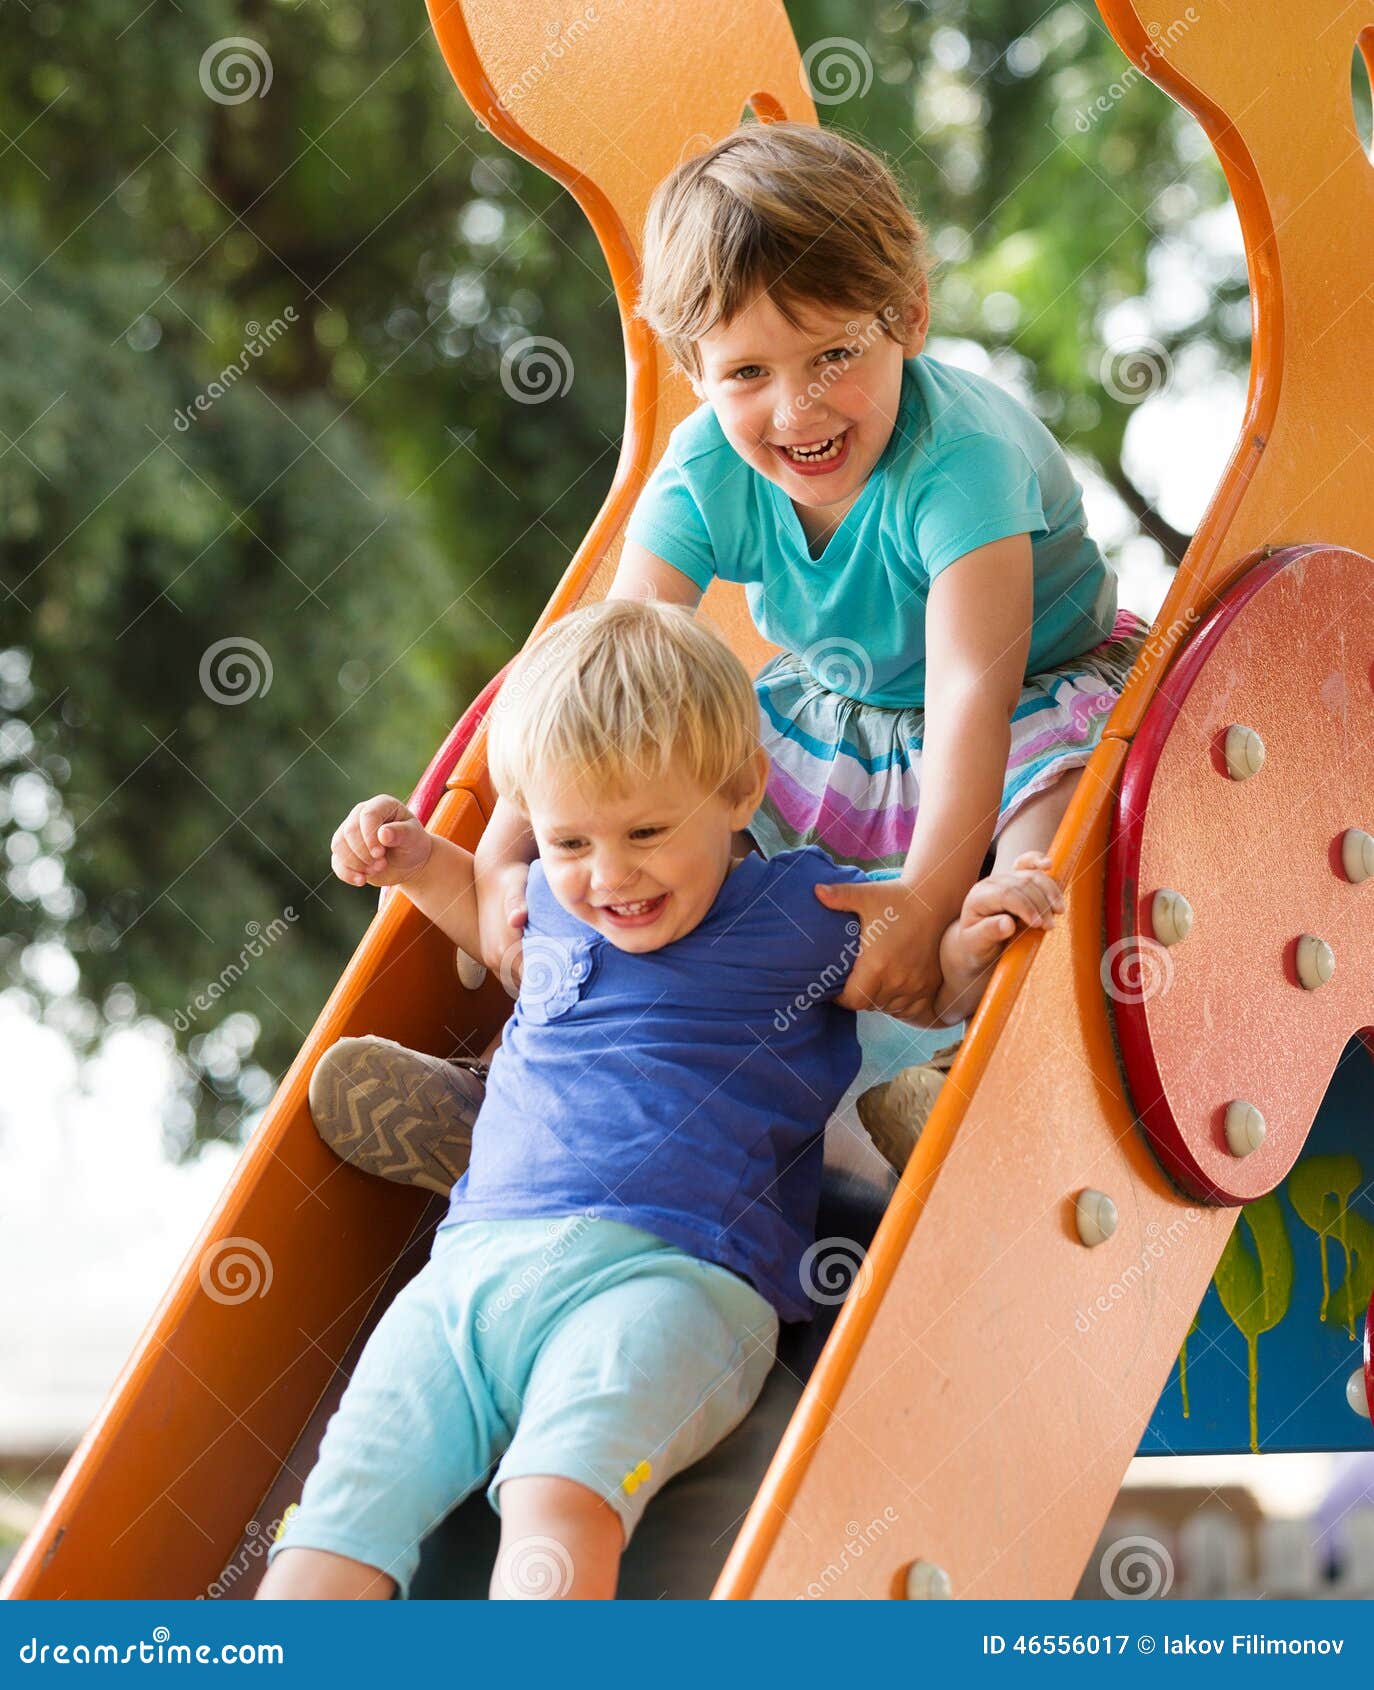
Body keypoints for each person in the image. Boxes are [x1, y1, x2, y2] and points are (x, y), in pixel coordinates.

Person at [312, 116, 1142, 1183]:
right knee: (665, 822)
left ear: (910, 317)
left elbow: (975, 689)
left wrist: (926, 907)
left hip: (1031, 698)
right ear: (693, 368)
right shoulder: (705, 469)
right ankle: (545, 1098)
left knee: (1038, 857)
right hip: (836, 716)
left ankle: (953, 1071)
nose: (797, 409)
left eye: (835, 353)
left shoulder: (961, 460)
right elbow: (595, 694)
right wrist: (513, 859)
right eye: (747, 371)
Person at [262, 601, 1063, 1600]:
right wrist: (416, 858)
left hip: (678, 1275)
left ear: (736, 791)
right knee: (339, 1511)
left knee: (562, 1496)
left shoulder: (796, 914)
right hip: (473, 1271)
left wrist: (973, 936)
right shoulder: (547, 904)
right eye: (569, 842)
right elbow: (491, 920)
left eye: (645, 830)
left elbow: (922, 979)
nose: (610, 875)